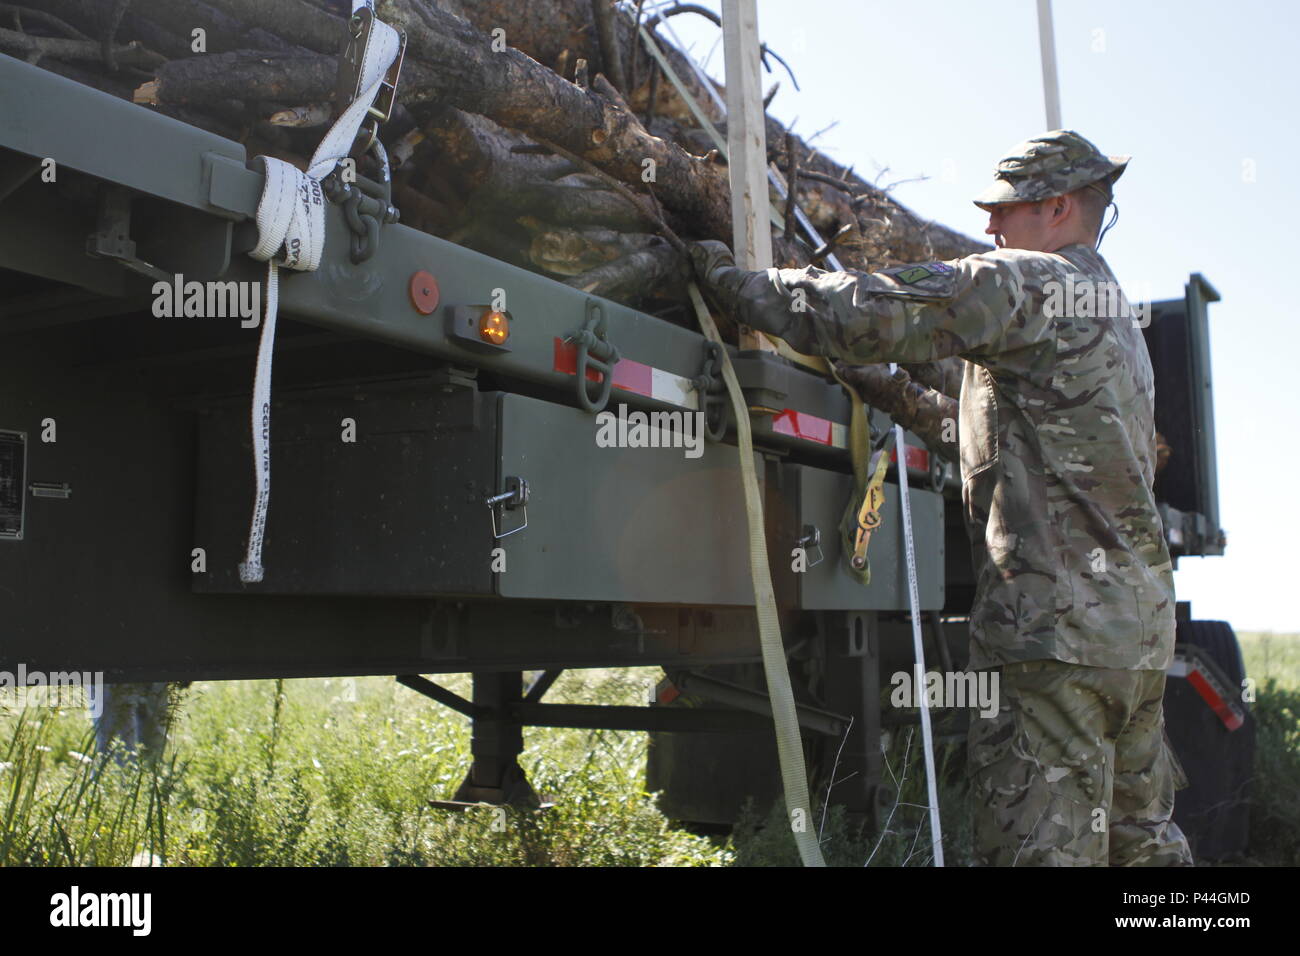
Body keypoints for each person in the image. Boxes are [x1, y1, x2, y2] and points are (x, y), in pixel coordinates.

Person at [690, 130, 1193, 866]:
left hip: (1056, 635)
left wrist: (736, 283)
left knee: (1041, 852)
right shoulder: (1115, 312)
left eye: (1004, 209)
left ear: (1056, 207)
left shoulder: (1028, 282)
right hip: (1138, 632)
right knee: (1140, 840)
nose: (989, 226)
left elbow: (873, 311)